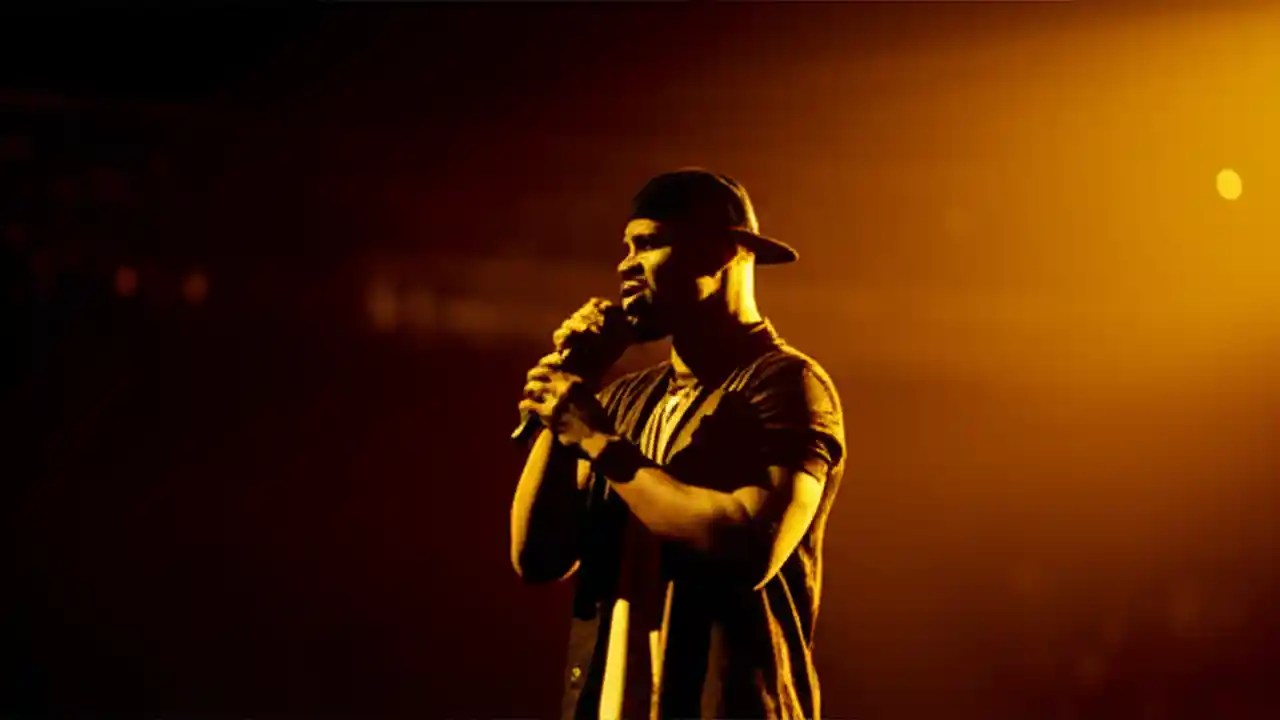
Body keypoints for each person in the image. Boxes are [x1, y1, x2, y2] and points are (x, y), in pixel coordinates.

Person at [511, 169, 845, 720]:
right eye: (625, 248)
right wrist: (573, 394)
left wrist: (596, 439)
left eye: (648, 243)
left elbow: (747, 547)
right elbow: (537, 556)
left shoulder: (789, 385)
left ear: (719, 253)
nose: (624, 265)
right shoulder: (623, 400)